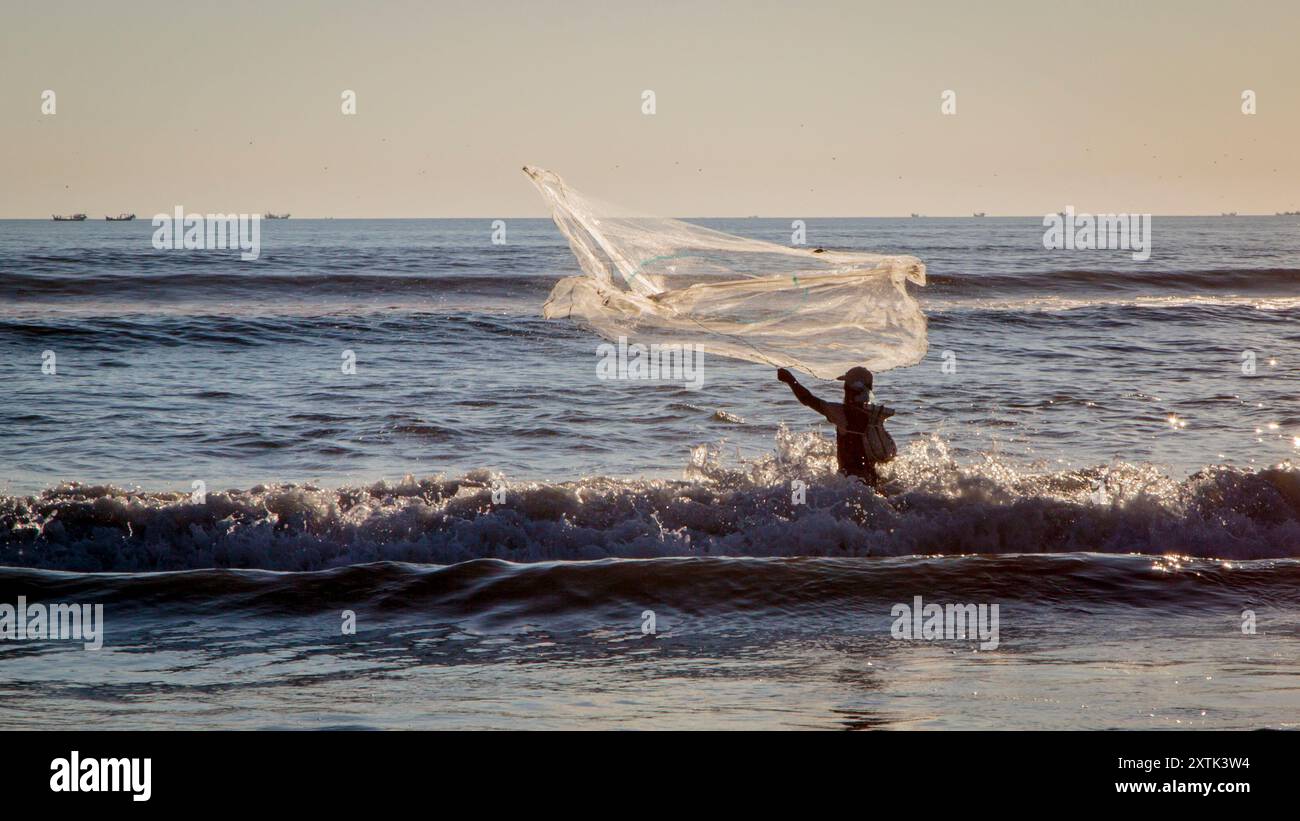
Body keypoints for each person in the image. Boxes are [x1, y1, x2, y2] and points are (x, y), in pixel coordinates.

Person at [777, 365, 897, 487]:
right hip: (872, 478)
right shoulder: (874, 416)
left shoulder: (842, 413)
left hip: (850, 481)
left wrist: (790, 380)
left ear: (849, 389)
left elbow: (808, 399)